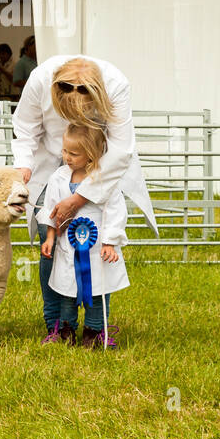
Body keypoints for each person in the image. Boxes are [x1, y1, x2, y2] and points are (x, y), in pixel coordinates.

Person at [11, 55, 156, 348]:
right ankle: (57, 325)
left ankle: (95, 327)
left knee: (95, 245)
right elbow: (25, 127)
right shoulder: (40, 79)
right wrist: (24, 164)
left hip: (100, 166)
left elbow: (119, 149)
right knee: (50, 238)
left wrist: (78, 199)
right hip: (52, 163)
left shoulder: (115, 85)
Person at [39, 124, 129, 348]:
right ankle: (66, 331)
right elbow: (51, 208)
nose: (67, 157)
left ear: (91, 154)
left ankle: (94, 333)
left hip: (97, 249)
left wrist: (109, 243)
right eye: (64, 151)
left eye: (74, 153)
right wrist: (50, 237)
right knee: (66, 290)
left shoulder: (105, 180)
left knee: (97, 291)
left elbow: (116, 211)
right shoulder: (58, 177)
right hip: (67, 246)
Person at [12, 35, 37, 100]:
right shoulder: (21, 63)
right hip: (28, 98)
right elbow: (16, 82)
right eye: (34, 46)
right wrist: (34, 83)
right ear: (28, 47)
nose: (37, 48)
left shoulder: (39, 60)